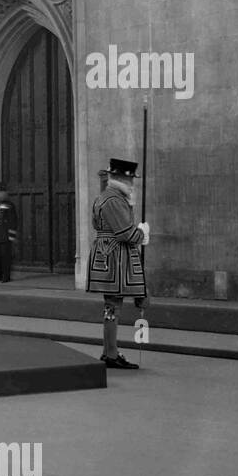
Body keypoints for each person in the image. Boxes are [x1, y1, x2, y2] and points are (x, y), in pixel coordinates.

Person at [87, 157, 149, 369]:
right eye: (131, 179)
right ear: (124, 178)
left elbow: (97, 224)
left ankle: (109, 351)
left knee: (111, 308)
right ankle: (111, 354)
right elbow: (125, 233)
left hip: (108, 256)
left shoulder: (106, 197)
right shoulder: (113, 199)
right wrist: (142, 233)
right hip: (114, 259)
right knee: (113, 306)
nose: (132, 184)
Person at [0, 182, 18, 282]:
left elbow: (13, 221)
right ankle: (0, 275)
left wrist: (11, 236)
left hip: (6, 236)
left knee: (6, 257)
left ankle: (6, 277)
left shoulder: (10, 205)